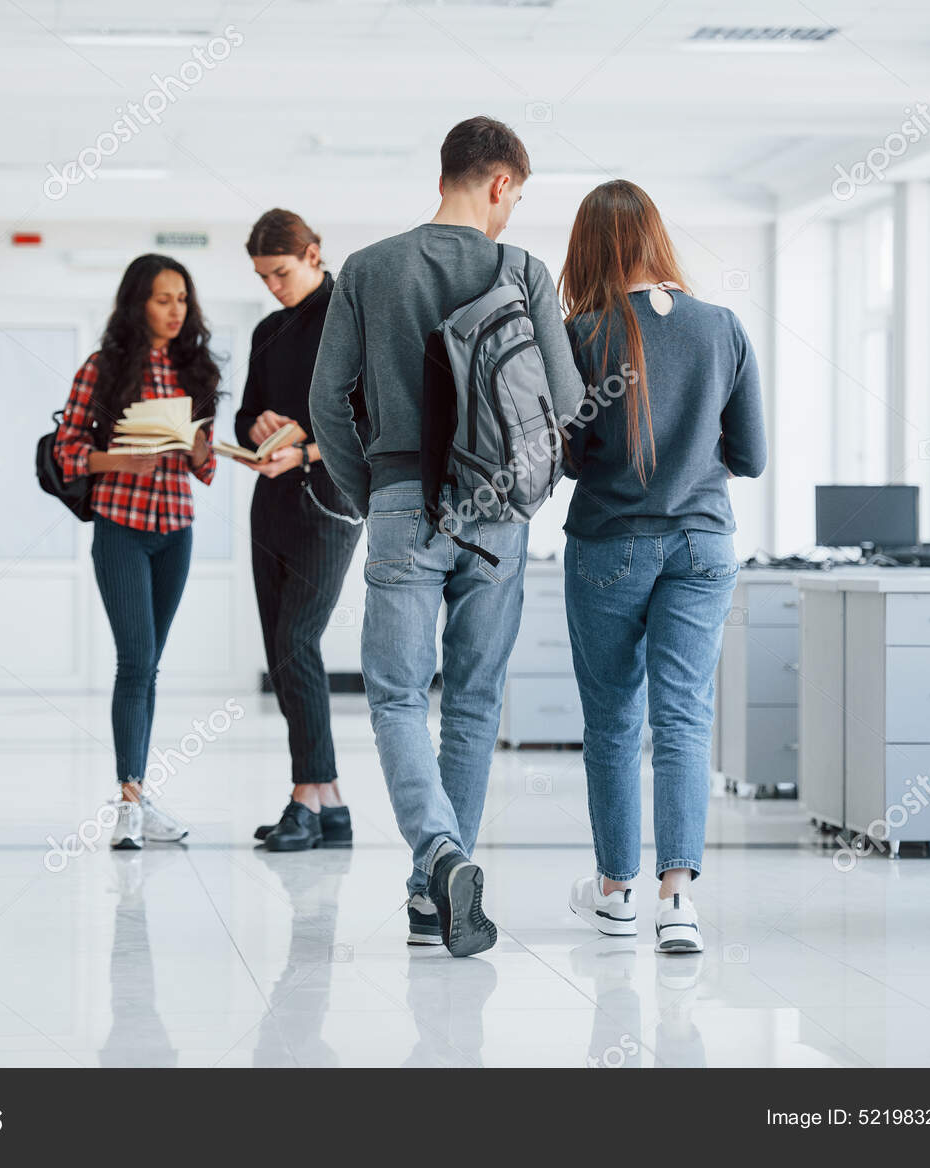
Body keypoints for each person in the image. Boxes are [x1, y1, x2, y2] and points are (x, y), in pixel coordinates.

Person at [309, 116, 586, 956]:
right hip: (497, 516)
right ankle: (436, 894)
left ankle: (437, 859)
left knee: (394, 697)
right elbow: (568, 409)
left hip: (400, 502)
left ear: (447, 174)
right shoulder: (522, 270)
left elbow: (328, 402)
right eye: (517, 195)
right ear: (498, 183)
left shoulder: (366, 268)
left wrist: (374, 496)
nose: (512, 211)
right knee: (472, 704)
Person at [557, 179, 765, 953]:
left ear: (588, 249)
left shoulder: (583, 334)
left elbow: (571, 456)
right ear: (656, 238)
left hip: (611, 545)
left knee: (613, 720)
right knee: (684, 718)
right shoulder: (723, 327)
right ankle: (678, 901)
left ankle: (616, 892)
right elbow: (752, 456)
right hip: (704, 547)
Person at [53, 254, 220, 850]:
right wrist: (116, 458)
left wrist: (202, 449)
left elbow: (203, 470)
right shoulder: (103, 368)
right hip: (121, 526)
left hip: (176, 529)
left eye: (181, 299)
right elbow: (67, 452)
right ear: (137, 304)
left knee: (149, 666)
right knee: (135, 661)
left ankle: (138, 792)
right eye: (161, 299)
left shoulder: (193, 369)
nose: (175, 311)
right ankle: (128, 802)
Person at [235, 209, 365, 852]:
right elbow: (241, 416)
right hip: (271, 501)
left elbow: (371, 421)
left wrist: (308, 451)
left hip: (328, 500)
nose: (273, 287)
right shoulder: (266, 329)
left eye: (281, 273)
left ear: (314, 254)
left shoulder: (352, 318)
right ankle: (329, 801)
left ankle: (305, 795)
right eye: (263, 277)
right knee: (279, 650)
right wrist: (255, 429)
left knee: (296, 641)